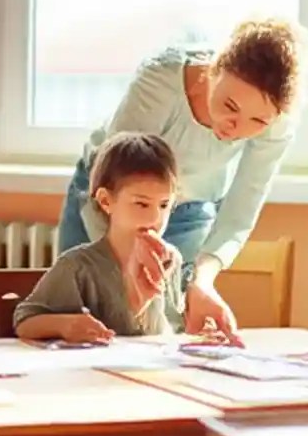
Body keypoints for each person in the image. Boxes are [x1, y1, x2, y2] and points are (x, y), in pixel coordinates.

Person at [57, 18, 308, 345]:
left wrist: (202, 283)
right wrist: (126, 261)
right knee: (82, 317)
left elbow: (241, 209)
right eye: (230, 106)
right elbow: (114, 173)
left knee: (163, 331)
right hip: (108, 197)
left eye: (258, 121)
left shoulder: (278, 120)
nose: (236, 127)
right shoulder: (162, 81)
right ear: (213, 71)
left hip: (189, 208)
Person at [16, 132, 183, 341]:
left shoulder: (171, 260)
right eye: (141, 204)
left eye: (164, 205)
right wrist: (64, 325)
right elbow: (25, 322)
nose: (155, 218)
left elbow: (174, 328)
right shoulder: (77, 267)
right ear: (105, 201)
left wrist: (201, 332)